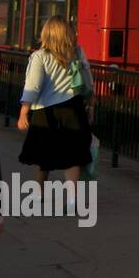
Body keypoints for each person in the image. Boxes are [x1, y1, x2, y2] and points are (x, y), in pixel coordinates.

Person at [17, 16, 94, 202]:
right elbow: (88, 82)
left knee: (45, 153)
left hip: (46, 111)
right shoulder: (77, 52)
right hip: (74, 109)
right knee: (73, 155)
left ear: (47, 33)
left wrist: (23, 111)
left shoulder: (40, 56)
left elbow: (33, 86)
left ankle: (38, 192)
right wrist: (91, 106)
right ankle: (72, 197)